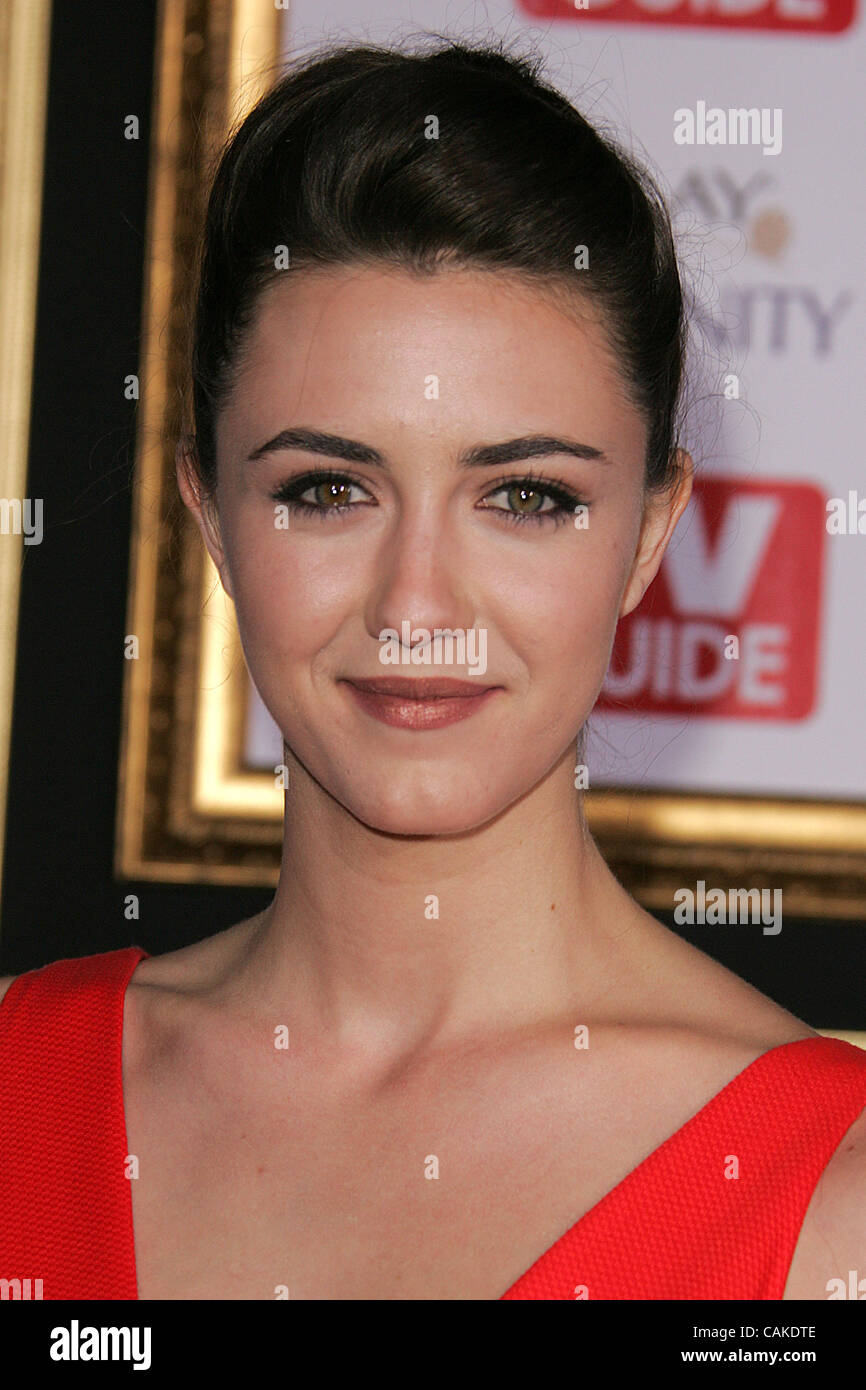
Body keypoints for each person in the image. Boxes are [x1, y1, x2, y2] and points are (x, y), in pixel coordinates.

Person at [1, 37, 865, 1302]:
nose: (418, 606)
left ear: (647, 538)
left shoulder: (830, 1197)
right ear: (209, 518)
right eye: (328, 488)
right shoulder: (18, 1096)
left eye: (523, 495)